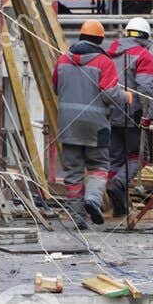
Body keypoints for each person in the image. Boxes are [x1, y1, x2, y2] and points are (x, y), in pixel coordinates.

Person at [52, 19, 129, 227]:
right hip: (97, 125)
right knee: (99, 166)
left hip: (68, 126)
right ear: (100, 39)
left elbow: (56, 88)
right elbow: (109, 95)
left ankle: (78, 218)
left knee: (73, 173)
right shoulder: (104, 62)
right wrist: (125, 97)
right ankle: (93, 200)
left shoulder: (62, 60)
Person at [104, 16, 153, 217]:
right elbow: (146, 88)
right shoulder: (144, 56)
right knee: (139, 157)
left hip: (110, 112)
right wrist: (149, 114)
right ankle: (118, 184)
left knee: (115, 159)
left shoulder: (110, 53)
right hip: (133, 114)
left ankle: (118, 206)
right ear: (146, 36)